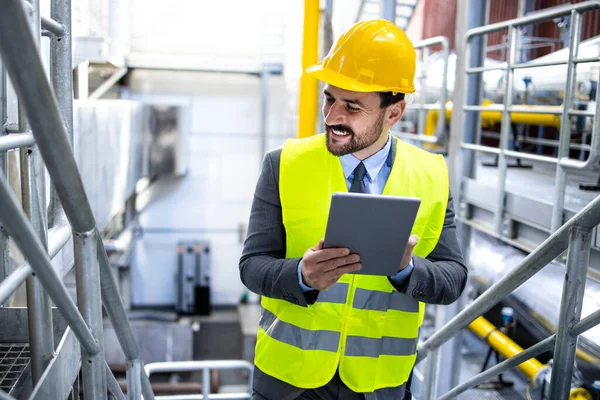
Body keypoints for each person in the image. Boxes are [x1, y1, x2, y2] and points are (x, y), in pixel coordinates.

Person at [239, 19, 467, 400]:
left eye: (352, 106)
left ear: (393, 113)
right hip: (288, 382)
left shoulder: (432, 175)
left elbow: (453, 278)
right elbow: (252, 266)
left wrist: (406, 270)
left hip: (378, 385)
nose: (332, 117)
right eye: (329, 99)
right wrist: (300, 275)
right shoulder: (284, 164)